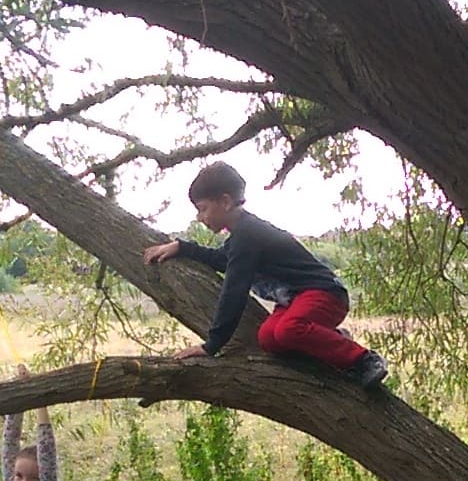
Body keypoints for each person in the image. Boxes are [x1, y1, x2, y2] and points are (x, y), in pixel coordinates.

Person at [142, 162, 389, 388]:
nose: (199, 217)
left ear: (225, 202)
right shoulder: (241, 235)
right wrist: (182, 247)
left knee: (288, 330)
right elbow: (222, 260)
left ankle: (363, 359)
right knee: (269, 338)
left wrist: (211, 345)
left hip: (324, 293)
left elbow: (234, 291)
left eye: (203, 208)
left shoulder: (248, 234)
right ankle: (332, 339)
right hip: (295, 299)